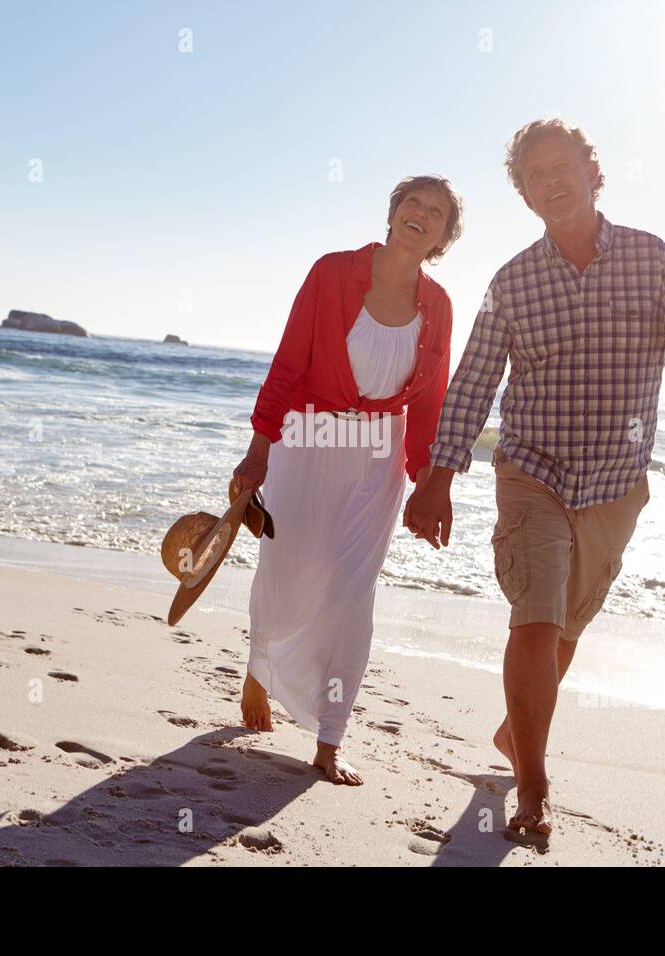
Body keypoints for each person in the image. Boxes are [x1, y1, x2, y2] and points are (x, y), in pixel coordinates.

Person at [404, 117, 665, 833]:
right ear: (526, 197)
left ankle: (514, 733)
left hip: (617, 482)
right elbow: (474, 382)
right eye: (535, 176)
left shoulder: (651, 259)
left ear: (594, 173)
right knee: (536, 618)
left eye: (562, 167)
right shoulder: (513, 281)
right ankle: (532, 786)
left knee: (567, 626)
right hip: (532, 470)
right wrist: (439, 475)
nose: (551, 182)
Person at [233, 175, 462, 784]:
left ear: (443, 236)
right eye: (414, 202)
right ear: (393, 212)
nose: (422, 214)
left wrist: (427, 482)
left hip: (377, 453)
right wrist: (258, 449)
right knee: (289, 570)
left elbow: (430, 404)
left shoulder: (437, 306)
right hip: (309, 438)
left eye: (437, 212)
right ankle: (260, 666)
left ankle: (330, 738)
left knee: (352, 591)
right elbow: (289, 361)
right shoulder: (332, 273)